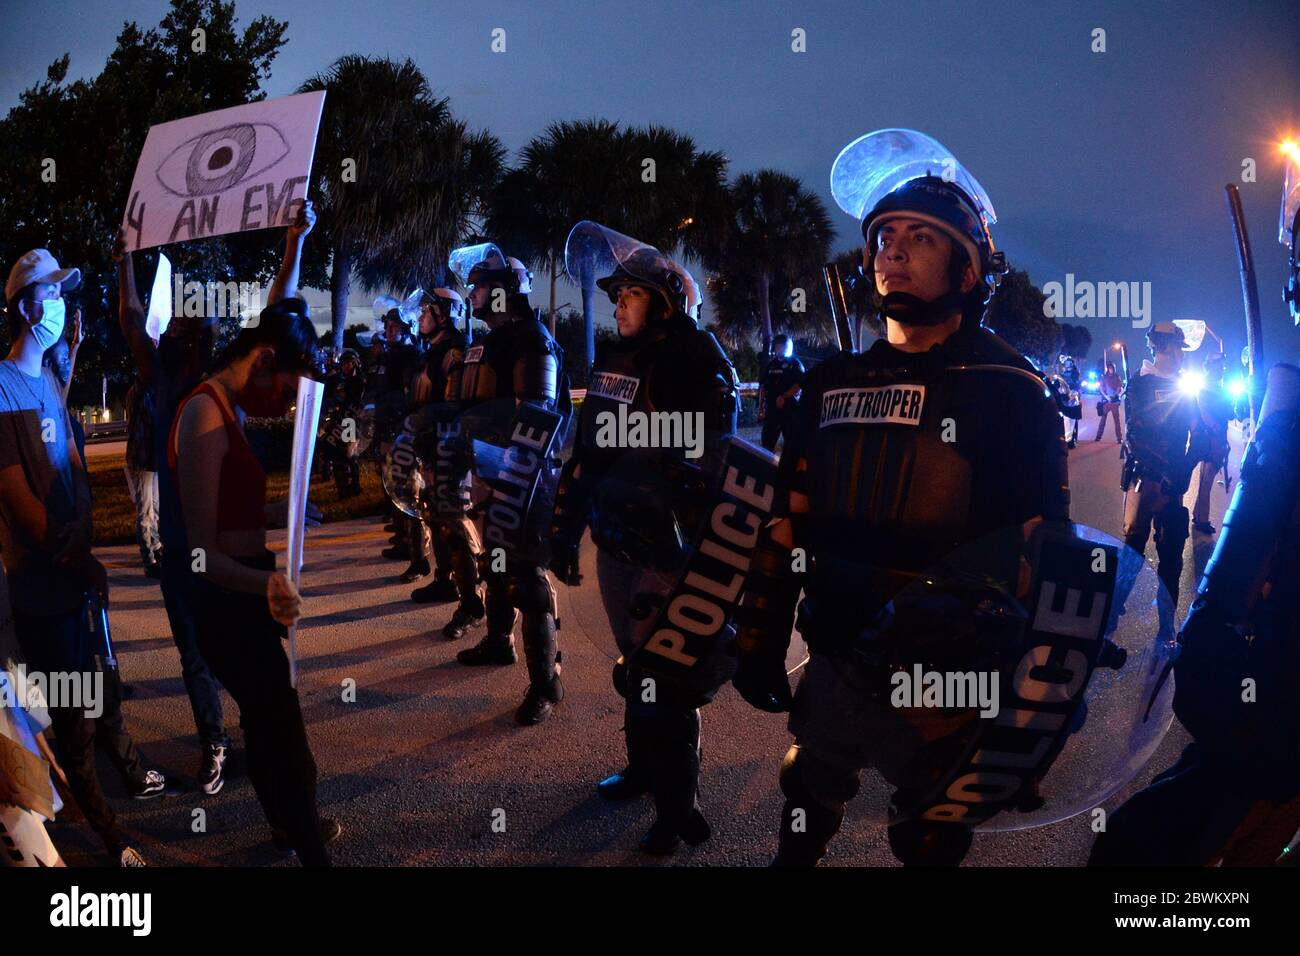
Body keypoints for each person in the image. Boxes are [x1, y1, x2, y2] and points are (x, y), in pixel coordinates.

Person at [730, 135, 1069, 867]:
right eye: (885, 236)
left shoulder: (1009, 391)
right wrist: (757, 638)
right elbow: (786, 526)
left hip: (946, 676)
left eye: (920, 238)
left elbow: (1046, 556)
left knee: (930, 834)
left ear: (968, 265)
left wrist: (1035, 718)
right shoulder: (828, 386)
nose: (893, 252)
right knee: (807, 794)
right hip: (837, 655)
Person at [549, 222, 739, 853]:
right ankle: (640, 769)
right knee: (635, 666)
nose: (617, 304)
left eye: (628, 295)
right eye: (616, 296)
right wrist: (565, 526)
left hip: (671, 548)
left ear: (663, 298)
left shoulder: (697, 359)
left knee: (669, 675)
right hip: (615, 539)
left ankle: (676, 808)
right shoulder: (611, 360)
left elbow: (709, 452)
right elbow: (588, 455)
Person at [1, 248, 164, 867]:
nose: (62, 303)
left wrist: (87, 535)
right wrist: (70, 554)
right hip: (41, 586)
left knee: (95, 695)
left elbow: (74, 466)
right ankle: (111, 837)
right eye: (52, 291)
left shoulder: (48, 379)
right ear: (24, 306)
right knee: (71, 714)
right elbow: (16, 495)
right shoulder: (2, 385)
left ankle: (102, 797)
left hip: (74, 577)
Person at [170, 290, 338, 865]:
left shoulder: (229, 406)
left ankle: (290, 828)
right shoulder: (202, 412)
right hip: (228, 604)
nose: (285, 406)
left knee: (270, 726)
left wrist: (275, 516)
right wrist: (262, 585)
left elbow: (229, 511)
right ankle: (308, 842)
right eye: (287, 390)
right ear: (264, 360)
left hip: (245, 593)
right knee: (286, 736)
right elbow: (199, 554)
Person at [446, 243, 572, 725]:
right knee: (492, 563)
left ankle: (547, 683)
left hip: (525, 473)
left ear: (502, 292)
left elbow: (536, 416)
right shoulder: (487, 340)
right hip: (486, 466)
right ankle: (499, 641)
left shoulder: (532, 340)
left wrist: (471, 424)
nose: (473, 294)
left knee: (526, 576)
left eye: (480, 286)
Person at [1120, 321, 1200, 612]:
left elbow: (1198, 433)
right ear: (1166, 346)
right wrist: (1164, 476)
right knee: (1132, 553)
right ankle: (1107, 622)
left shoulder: (1182, 386)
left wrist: (1182, 471)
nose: (1183, 354)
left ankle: (1166, 628)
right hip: (1144, 483)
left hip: (1172, 485)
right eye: (1180, 347)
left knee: (1172, 556)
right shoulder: (1139, 384)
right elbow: (1135, 436)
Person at [407, 288, 469, 604]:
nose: (420, 316)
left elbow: (454, 404)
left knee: (450, 522)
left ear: (443, 315)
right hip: (428, 446)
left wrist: (419, 421)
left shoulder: (455, 352)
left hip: (445, 447)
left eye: (425, 311)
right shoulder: (430, 350)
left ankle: (464, 591)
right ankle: (443, 579)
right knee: (434, 515)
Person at [1191, 352, 1232, 535]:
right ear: (1211, 365)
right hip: (1210, 437)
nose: (1222, 368)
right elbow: (1205, 412)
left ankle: (1198, 515)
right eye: (1219, 364)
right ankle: (1201, 520)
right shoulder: (1207, 384)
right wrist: (1215, 429)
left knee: (1207, 478)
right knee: (1206, 479)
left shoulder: (1218, 384)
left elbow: (1228, 412)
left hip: (1216, 435)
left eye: (1222, 364)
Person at [759, 333, 804, 452]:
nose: (780, 349)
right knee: (767, 443)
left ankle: (789, 469)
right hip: (772, 411)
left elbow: (799, 385)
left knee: (792, 444)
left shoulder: (795, 364)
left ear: (789, 347)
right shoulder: (770, 365)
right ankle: (766, 468)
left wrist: (784, 396)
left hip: (790, 410)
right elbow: (763, 387)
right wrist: (761, 407)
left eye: (783, 346)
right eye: (778, 346)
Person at [1096, 360, 1123, 442]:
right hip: (1106, 402)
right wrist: (1106, 396)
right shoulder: (1104, 377)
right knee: (1103, 420)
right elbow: (1101, 388)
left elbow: (1119, 387)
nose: (1110, 369)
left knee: (1117, 421)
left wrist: (1115, 395)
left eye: (1112, 368)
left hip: (1114, 402)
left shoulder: (1117, 377)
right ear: (1108, 369)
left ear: (1114, 369)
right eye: (1109, 368)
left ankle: (1119, 438)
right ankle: (1098, 437)